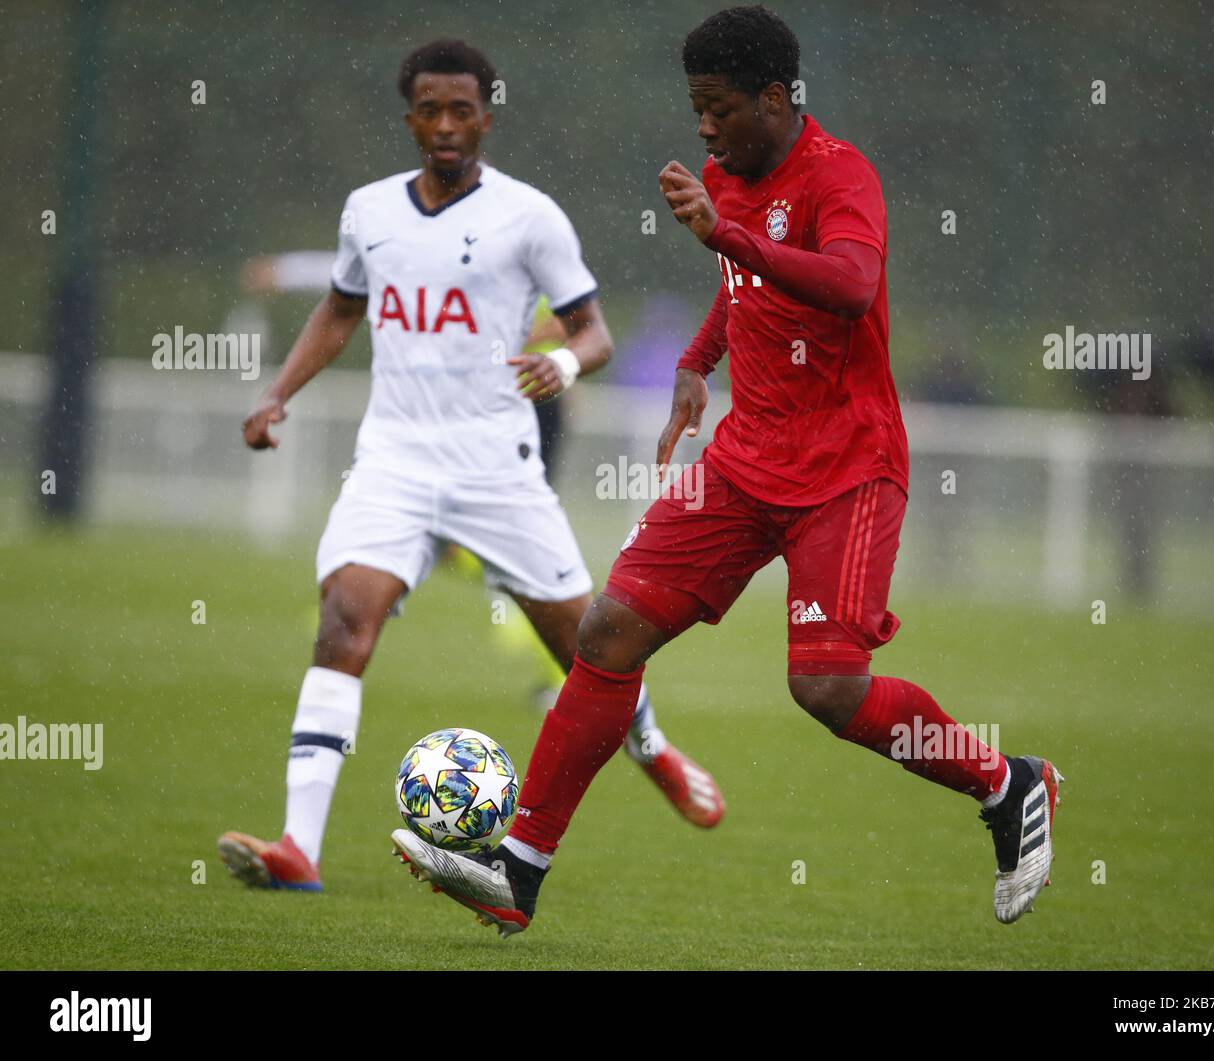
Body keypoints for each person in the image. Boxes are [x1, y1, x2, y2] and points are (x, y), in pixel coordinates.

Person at [391, 7, 1063, 935]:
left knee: (826, 688)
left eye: (718, 109)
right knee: (608, 631)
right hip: (745, 456)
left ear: (774, 100)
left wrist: (728, 238)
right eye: (694, 109)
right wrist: (694, 365)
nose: (703, 128)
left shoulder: (842, 176)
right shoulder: (724, 177)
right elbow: (738, 287)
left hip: (847, 466)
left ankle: (1008, 781)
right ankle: (518, 870)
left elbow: (850, 283)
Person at [218, 39, 724, 893]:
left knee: (590, 648)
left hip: (498, 469)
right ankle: (299, 846)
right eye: (430, 109)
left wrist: (560, 366)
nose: (446, 126)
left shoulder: (530, 216)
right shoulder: (369, 211)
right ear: (410, 116)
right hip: (393, 463)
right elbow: (340, 311)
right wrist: (278, 394)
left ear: (488, 116)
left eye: (463, 110)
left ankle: (656, 751)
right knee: (343, 624)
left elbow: (591, 329)